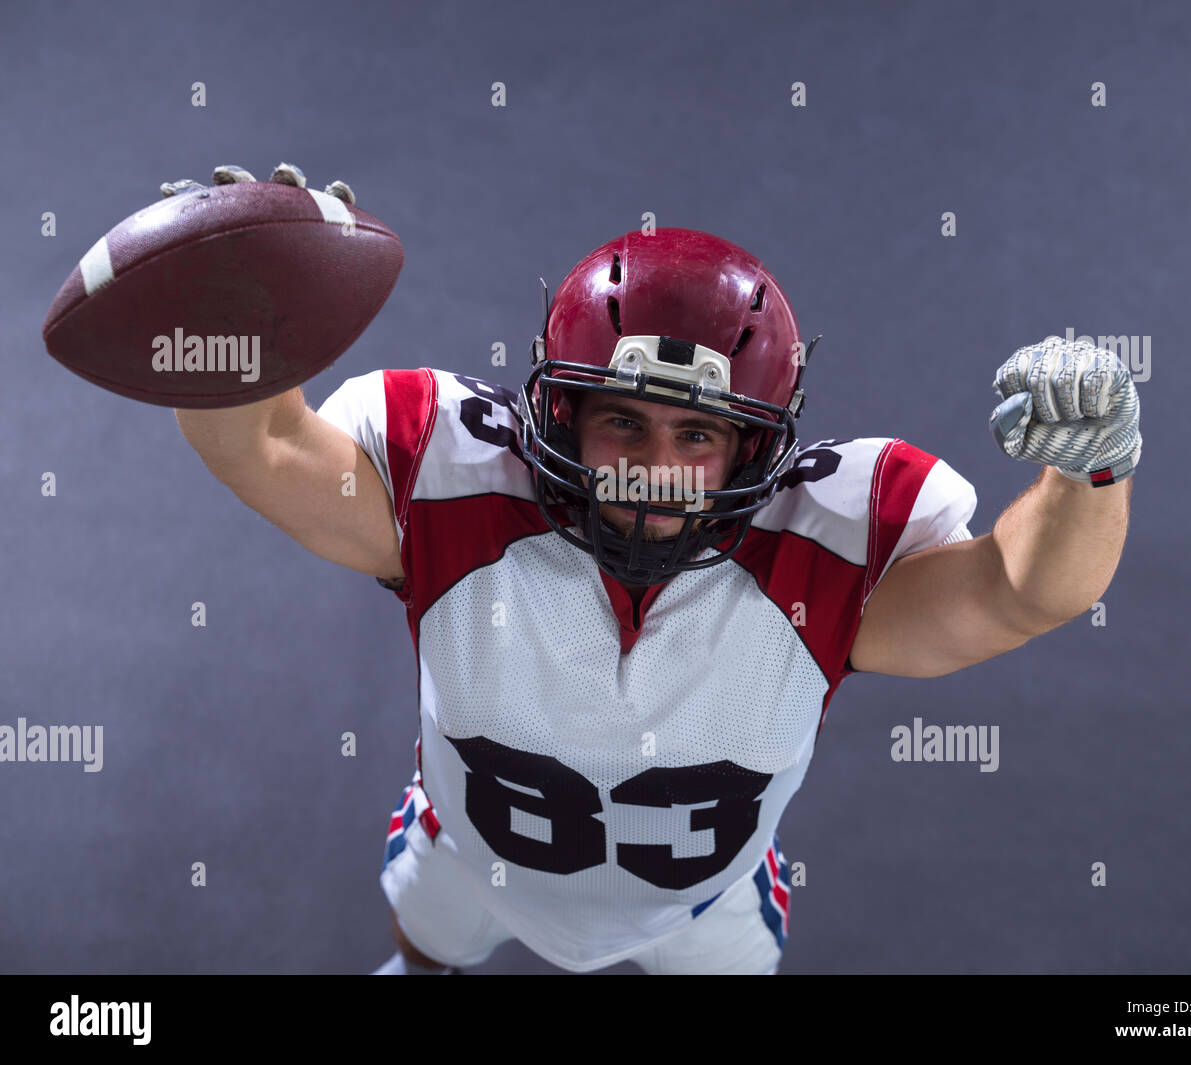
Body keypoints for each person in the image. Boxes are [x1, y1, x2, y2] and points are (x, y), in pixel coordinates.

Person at [175, 168, 1140, 975]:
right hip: (471, 858)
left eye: (697, 435)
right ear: (560, 415)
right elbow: (263, 447)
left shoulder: (820, 549)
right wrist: (226, 321)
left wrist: (1090, 469)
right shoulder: (457, 486)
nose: (653, 467)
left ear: (755, 447)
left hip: (703, 904)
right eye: (623, 421)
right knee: (427, 946)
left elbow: (1024, 590)